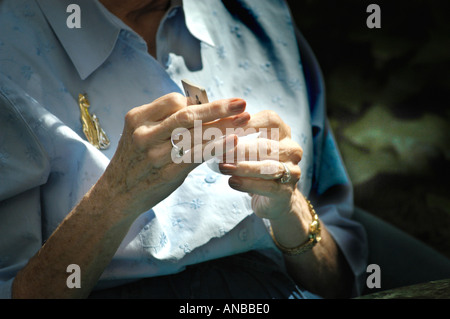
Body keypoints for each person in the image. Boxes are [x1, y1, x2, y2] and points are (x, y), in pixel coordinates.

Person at [0, 0, 368, 299]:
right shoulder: (11, 48)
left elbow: (341, 284)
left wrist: (290, 209)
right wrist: (114, 199)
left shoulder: (263, 19)